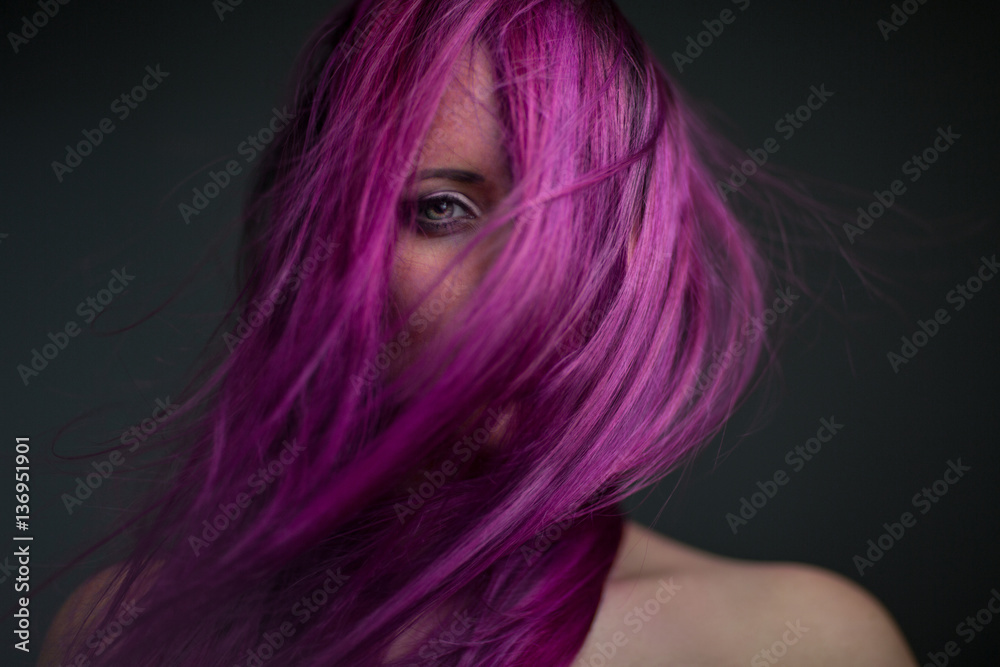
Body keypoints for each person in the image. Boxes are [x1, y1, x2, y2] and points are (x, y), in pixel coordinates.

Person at [40, 0, 919, 664]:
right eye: (443, 208)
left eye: (579, 224)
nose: (523, 287)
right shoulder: (117, 631)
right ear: (316, 241)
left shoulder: (798, 640)